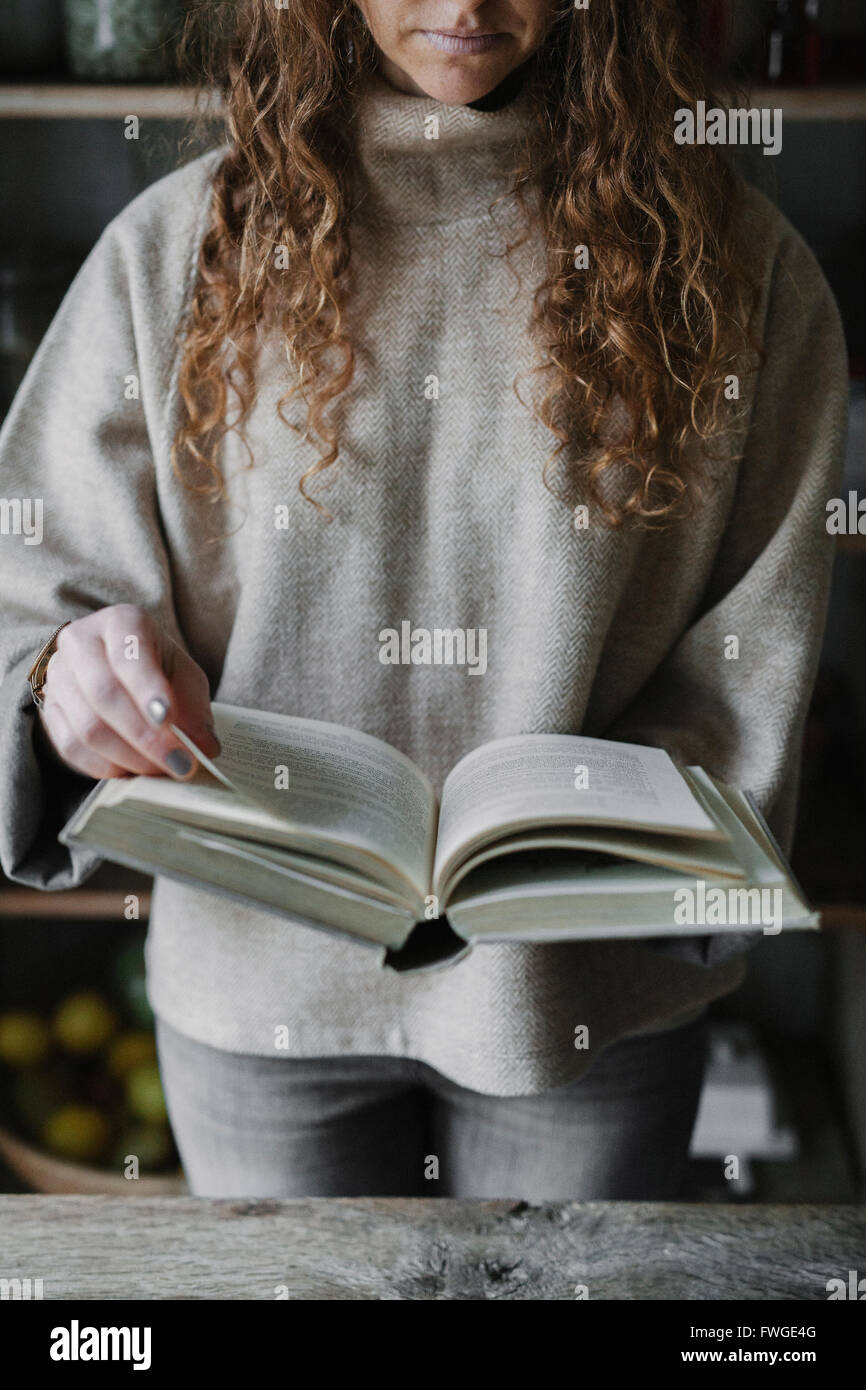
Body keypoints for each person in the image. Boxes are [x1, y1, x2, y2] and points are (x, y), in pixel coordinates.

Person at [0, 1, 848, 1199]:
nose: (465, 6)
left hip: (578, 1006)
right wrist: (61, 684)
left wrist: (585, 869)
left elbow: (753, 653)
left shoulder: (742, 277)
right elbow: (32, 589)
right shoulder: (180, 249)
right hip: (256, 998)